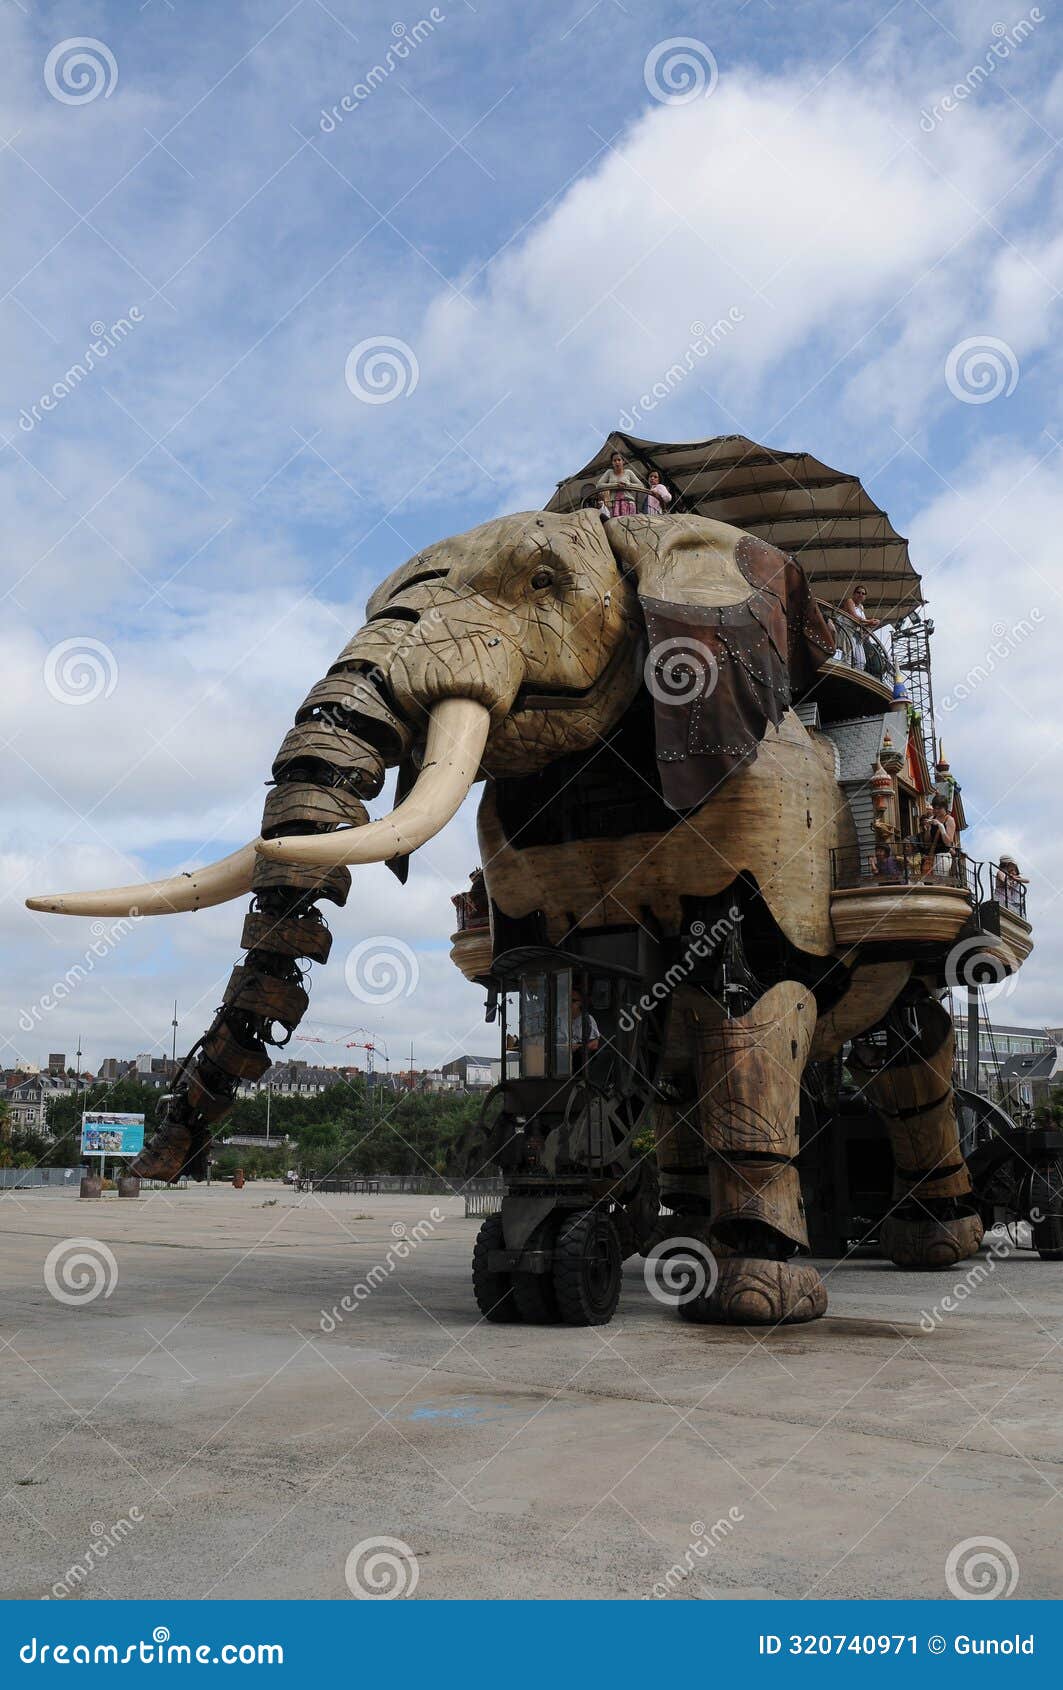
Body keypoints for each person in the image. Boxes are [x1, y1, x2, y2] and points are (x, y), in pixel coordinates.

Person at [838, 584, 882, 672]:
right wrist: (870, 621)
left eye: (863, 593)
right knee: (848, 657)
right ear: (854, 594)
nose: (861, 595)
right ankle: (845, 673)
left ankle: (856, 676)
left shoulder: (861, 607)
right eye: (858, 592)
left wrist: (873, 623)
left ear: (865, 597)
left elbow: (862, 624)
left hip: (856, 635)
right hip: (847, 631)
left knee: (861, 661)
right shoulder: (850, 601)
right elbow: (854, 617)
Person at [597, 450, 645, 518]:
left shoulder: (628, 472)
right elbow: (599, 485)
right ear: (612, 463)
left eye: (619, 460)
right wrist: (616, 485)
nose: (617, 462)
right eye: (614, 460)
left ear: (623, 461)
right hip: (615, 504)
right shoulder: (609, 472)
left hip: (628, 503)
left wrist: (627, 485)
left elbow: (641, 485)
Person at [923, 798, 957, 880]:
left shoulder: (949, 820)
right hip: (932, 855)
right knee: (930, 881)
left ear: (945, 808)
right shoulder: (932, 818)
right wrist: (928, 829)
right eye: (935, 808)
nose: (936, 810)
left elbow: (948, 842)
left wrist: (941, 826)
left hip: (943, 855)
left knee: (939, 881)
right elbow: (927, 841)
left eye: (939, 808)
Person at [571, 986, 600, 1064]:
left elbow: (595, 1043)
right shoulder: (561, 1019)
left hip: (579, 1059)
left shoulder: (587, 1019)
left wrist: (578, 1047)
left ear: (580, 1003)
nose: (568, 1003)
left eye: (572, 1001)